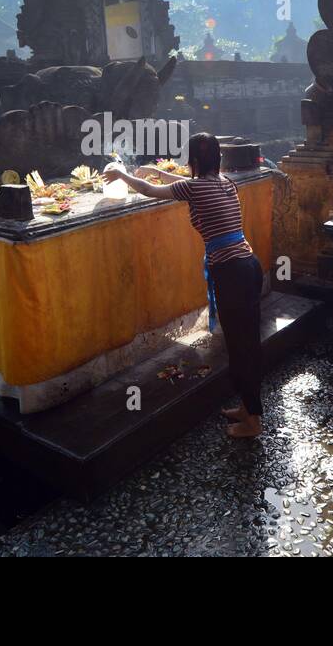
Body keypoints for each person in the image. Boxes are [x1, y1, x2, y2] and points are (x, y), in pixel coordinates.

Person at [102, 133, 266, 438]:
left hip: (232, 273)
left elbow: (151, 191)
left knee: (242, 346)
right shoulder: (225, 182)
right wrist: (160, 171)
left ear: (192, 161)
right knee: (245, 342)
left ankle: (253, 422)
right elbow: (170, 183)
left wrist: (122, 174)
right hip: (248, 266)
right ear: (217, 159)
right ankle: (247, 407)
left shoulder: (194, 187)